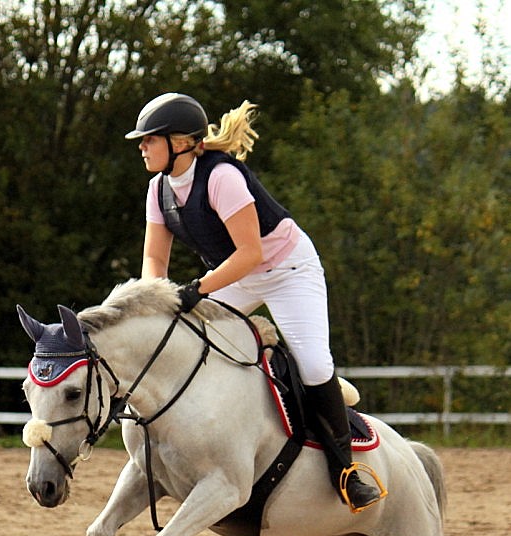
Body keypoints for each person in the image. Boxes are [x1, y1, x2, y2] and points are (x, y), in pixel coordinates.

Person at [125, 92, 385, 513]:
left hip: (287, 271)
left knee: (313, 364)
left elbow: (251, 252)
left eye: (149, 139)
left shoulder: (222, 177)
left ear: (180, 142)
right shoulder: (158, 191)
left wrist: (197, 289)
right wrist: (158, 301)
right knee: (183, 341)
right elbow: (154, 259)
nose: (142, 147)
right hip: (235, 277)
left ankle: (346, 470)